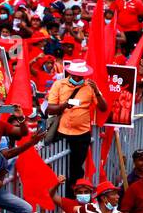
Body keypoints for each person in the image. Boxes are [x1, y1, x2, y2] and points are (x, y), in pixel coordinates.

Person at [45, 60, 107, 191]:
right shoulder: (59, 84)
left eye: (80, 75)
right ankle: (57, 194)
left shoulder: (90, 86)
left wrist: (97, 91)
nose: (78, 77)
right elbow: (50, 109)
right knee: (60, 166)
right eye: (75, 75)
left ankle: (72, 196)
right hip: (62, 133)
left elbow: (103, 108)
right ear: (70, 73)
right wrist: (64, 105)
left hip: (81, 135)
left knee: (76, 169)